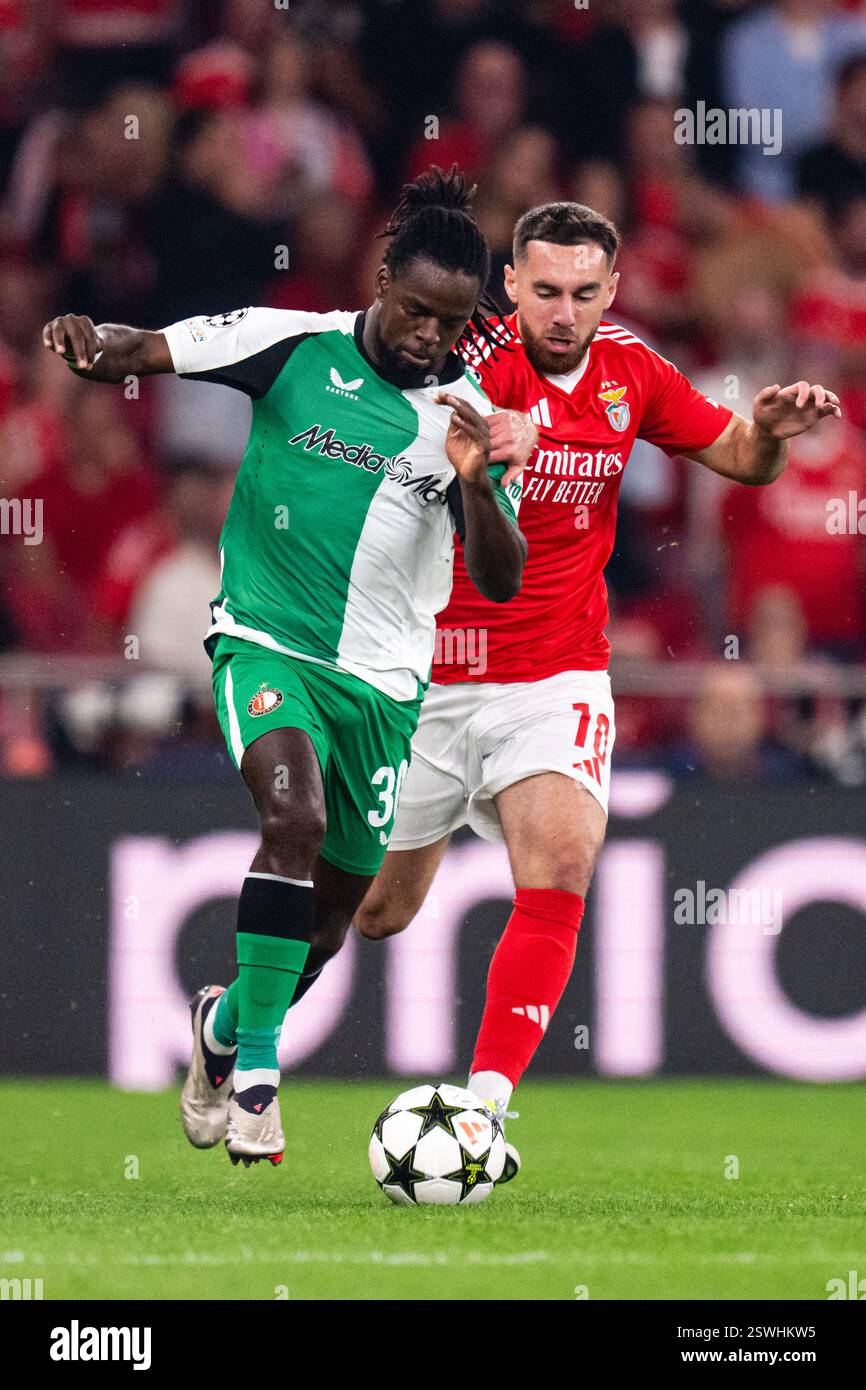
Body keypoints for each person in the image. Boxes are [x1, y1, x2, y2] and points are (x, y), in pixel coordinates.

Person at [42, 167, 534, 1167]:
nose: (427, 336)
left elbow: (498, 577)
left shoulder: (464, 417)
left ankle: (224, 1028)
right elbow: (153, 347)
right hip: (265, 642)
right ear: (382, 280)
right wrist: (91, 343)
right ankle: (259, 1078)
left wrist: (479, 486)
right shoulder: (289, 344)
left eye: (450, 323)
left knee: (329, 923)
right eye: (415, 310)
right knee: (293, 817)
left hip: (384, 689)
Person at [355, 200, 841, 1181]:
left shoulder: (632, 372)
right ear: (510, 285)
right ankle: (233, 1023)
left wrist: (768, 434)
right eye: (545, 291)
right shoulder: (466, 367)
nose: (564, 312)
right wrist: (471, 466)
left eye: (584, 293)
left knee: (563, 865)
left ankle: (483, 1114)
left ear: (612, 290)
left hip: (555, 668)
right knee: (375, 911)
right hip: (427, 671)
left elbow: (740, 458)